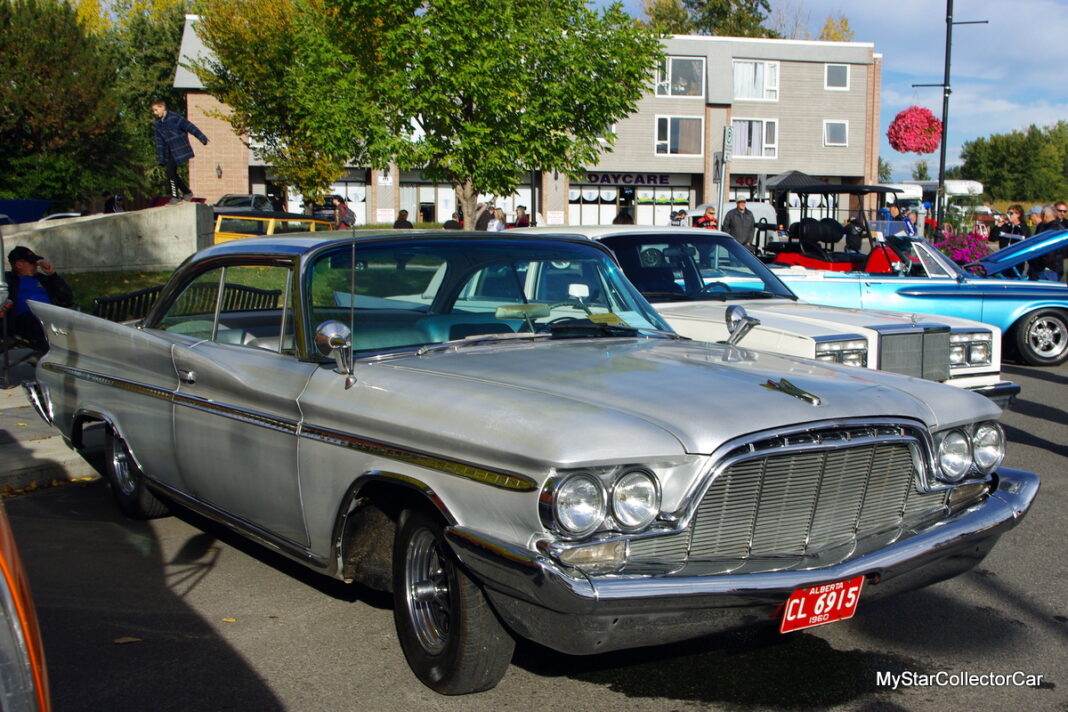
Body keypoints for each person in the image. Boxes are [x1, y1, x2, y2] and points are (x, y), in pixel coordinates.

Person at [0, 247, 74, 352]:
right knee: (39, 326)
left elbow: (67, 298)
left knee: (74, 326)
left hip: (50, 315)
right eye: (32, 263)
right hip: (25, 318)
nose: (36, 265)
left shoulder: (43, 279)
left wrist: (52, 275)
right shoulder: (7, 279)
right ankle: (45, 355)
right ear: (19, 264)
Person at [151, 99, 208, 203]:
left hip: (178, 149)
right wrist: (160, 158)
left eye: (156, 110)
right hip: (168, 151)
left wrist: (202, 138)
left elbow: (190, 127)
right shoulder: (158, 124)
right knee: (171, 173)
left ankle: (175, 197)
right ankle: (186, 192)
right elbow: (159, 142)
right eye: (154, 111)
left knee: (170, 171)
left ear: (162, 107)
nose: (155, 113)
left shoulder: (174, 117)